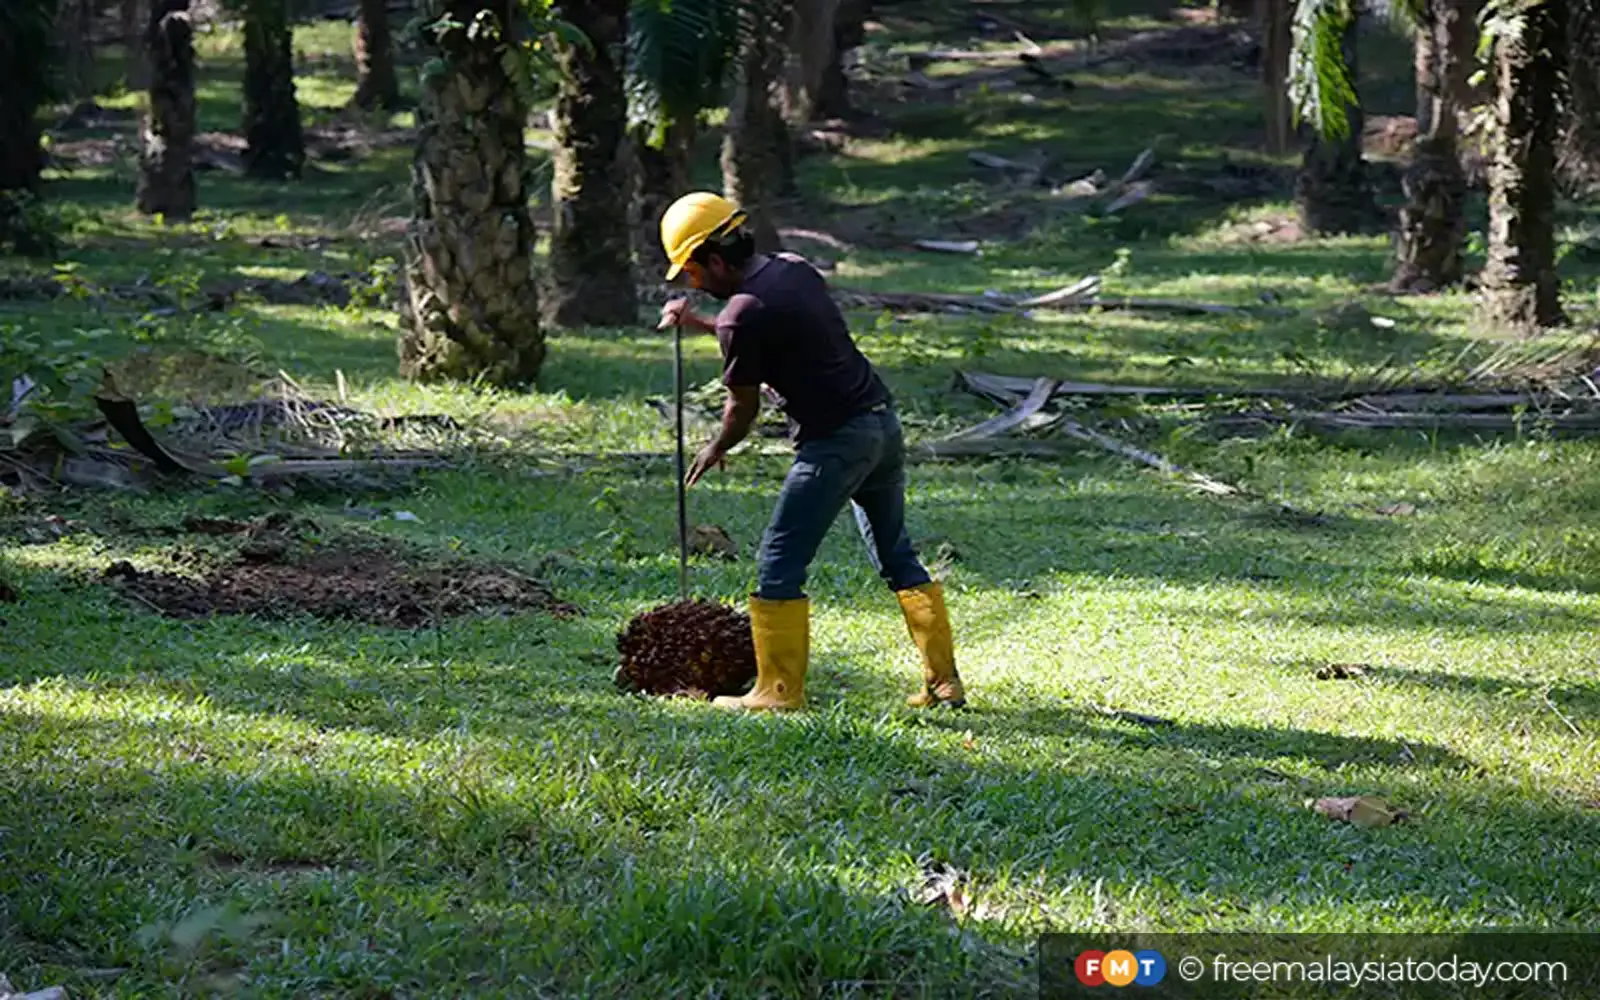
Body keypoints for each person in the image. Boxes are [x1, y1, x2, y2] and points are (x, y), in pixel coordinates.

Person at [654, 191, 965, 713]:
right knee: (897, 556)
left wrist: (714, 447)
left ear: (714, 259)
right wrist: (701, 325)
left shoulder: (739, 316)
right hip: (881, 426)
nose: (694, 284)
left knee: (778, 561)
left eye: (691, 272)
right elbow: (773, 333)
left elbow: (742, 408)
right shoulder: (791, 270)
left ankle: (778, 692)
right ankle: (944, 682)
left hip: (835, 443)